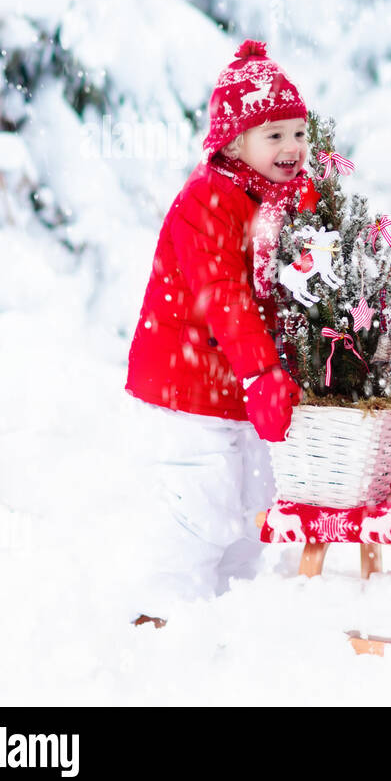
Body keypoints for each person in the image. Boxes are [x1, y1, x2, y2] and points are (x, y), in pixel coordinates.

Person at [124, 39, 316, 626]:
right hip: (188, 376)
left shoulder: (285, 200)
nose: (291, 148)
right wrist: (261, 370)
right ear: (235, 142)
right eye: (274, 135)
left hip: (240, 384)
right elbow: (223, 297)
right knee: (202, 496)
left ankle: (229, 609)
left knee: (255, 500)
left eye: (298, 133)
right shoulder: (207, 200)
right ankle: (164, 610)